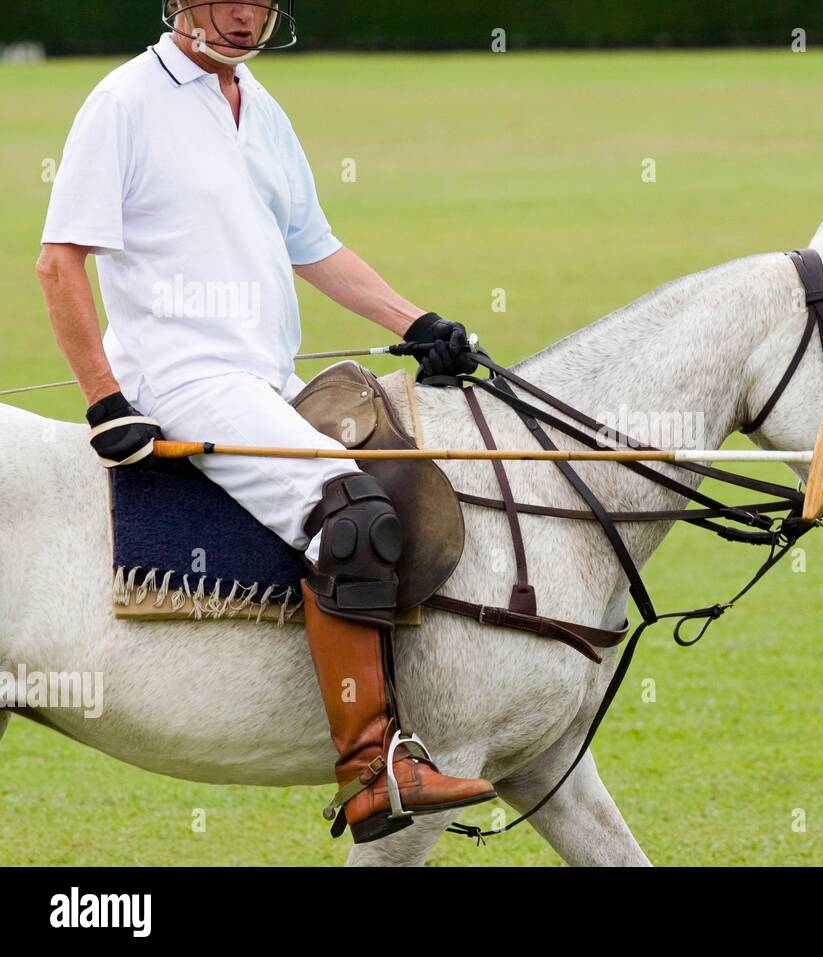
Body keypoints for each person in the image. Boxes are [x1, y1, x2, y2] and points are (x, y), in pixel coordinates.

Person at [35, 1, 496, 844]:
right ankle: (371, 768)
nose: (247, 15)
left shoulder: (260, 103)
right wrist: (106, 402)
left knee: (409, 475)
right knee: (350, 514)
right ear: (180, 1)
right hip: (180, 376)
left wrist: (415, 320)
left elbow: (312, 245)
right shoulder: (125, 101)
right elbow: (59, 262)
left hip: (269, 375)